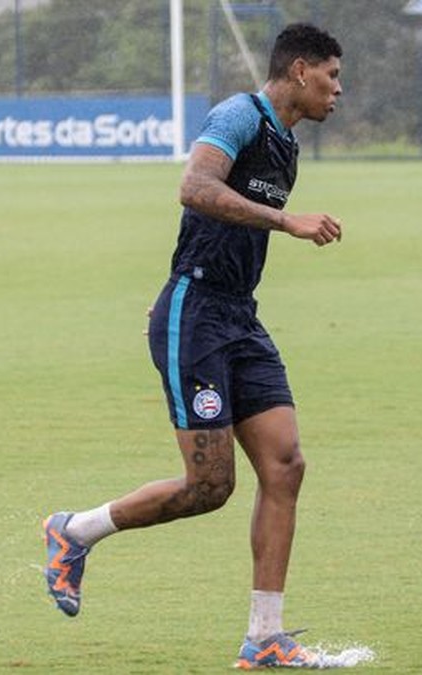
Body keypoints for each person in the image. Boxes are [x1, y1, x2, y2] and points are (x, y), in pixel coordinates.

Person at [44, 22, 344, 670]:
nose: (338, 91)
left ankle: (266, 636)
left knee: (286, 465)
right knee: (210, 486)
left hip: (239, 318)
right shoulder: (239, 115)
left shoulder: (287, 143)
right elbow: (195, 188)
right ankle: (74, 531)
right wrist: (286, 220)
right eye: (332, 76)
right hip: (197, 314)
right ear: (299, 71)